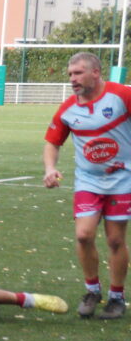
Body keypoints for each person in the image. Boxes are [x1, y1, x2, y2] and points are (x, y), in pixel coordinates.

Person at [43, 52, 131, 319]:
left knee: (116, 239)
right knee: (84, 235)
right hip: (89, 181)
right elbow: (52, 142)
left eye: (78, 73)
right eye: (70, 74)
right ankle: (92, 290)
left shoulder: (122, 96)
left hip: (123, 179)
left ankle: (117, 297)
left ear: (95, 72)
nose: (73, 79)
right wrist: (50, 168)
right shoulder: (68, 108)